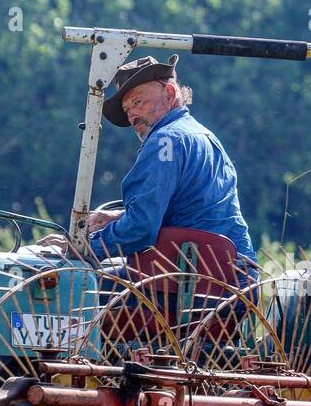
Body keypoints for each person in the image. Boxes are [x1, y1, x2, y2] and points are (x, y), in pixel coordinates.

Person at [54, 54, 256, 283]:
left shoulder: (164, 141)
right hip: (238, 281)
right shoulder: (204, 137)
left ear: (169, 94)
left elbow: (141, 228)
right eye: (127, 108)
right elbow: (188, 211)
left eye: (138, 102)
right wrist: (114, 219)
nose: (132, 115)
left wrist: (81, 247)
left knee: (72, 285)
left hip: (189, 286)